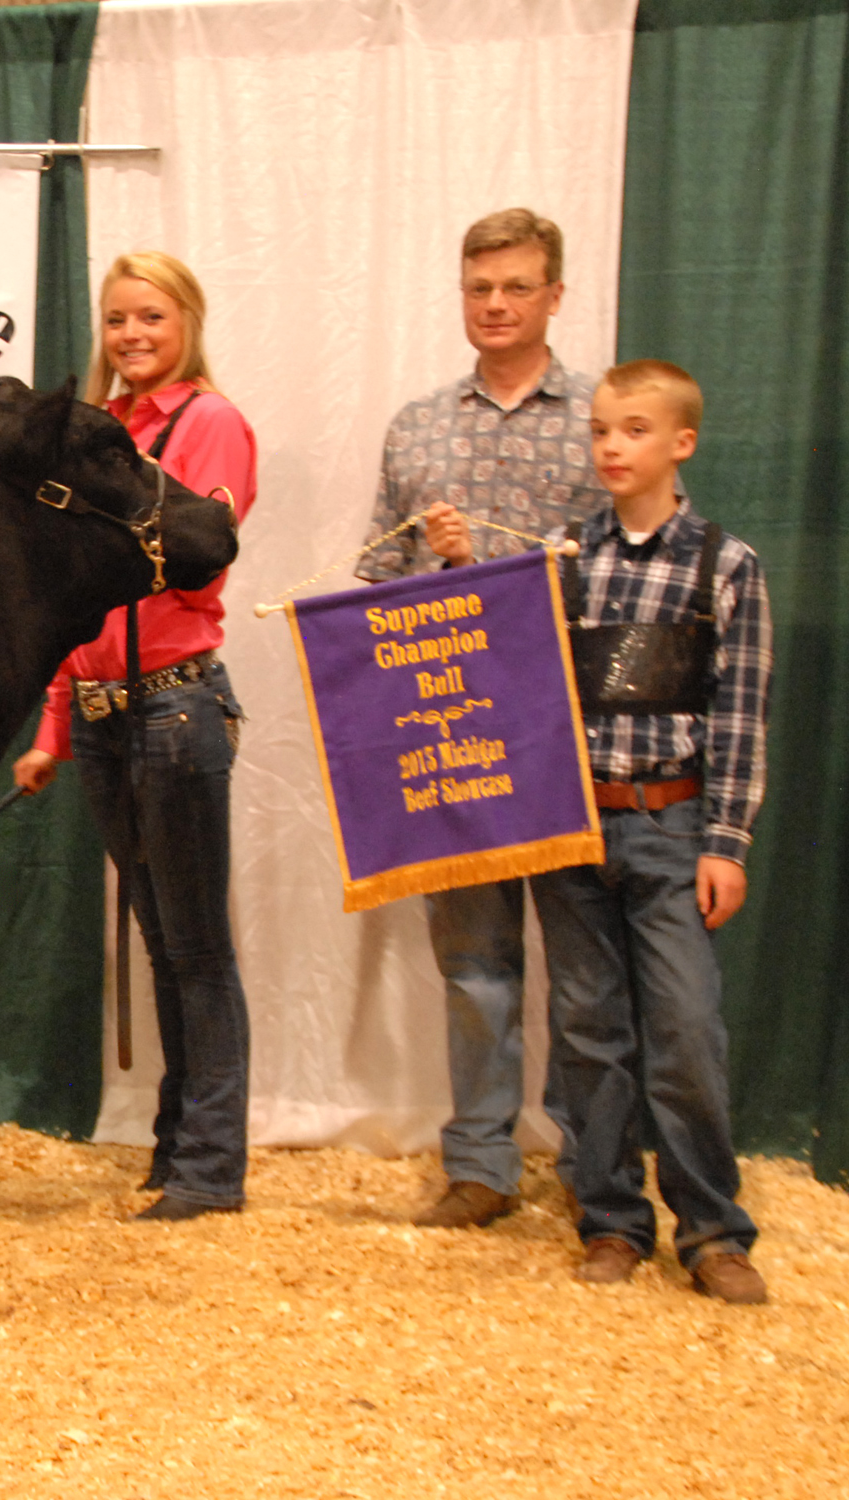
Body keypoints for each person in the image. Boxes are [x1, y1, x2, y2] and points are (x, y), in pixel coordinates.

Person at [431, 360, 771, 1302]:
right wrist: (462, 566)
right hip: (573, 829)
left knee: (687, 1031)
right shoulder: (564, 557)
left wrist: (726, 843)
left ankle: (713, 1230)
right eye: (602, 433)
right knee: (588, 1030)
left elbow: (740, 715)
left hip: (672, 826)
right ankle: (612, 1218)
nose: (613, 448)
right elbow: (500, 650)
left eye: (632, 431)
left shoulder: (725, 565)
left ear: (680, 443)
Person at [356, 208, 606, 1229]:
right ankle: (480, 1167)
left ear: (555, 295)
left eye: (516, 287)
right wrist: (427, 561)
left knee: (590, 973)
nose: (496, 305)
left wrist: (509, 566)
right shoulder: (416, 426)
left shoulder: (603, 415)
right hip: (451, 735)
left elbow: (640, 565)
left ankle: (601, 1172)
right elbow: (374, 571)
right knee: (474, 966)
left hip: (572, 734)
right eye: (479, 288)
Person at [11, 251, 256, 1220]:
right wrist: (53, 727)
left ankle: (210, 1165)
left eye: (151, 316)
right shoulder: (103, 436)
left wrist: (126, 531)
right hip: (109, 713)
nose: (132, 336)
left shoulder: (212, 425)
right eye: (117, 320)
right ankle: (176, 1144)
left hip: (178, 700)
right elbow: (73, 601)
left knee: (196, 946)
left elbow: (200, 567)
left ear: (187, 322)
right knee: (164, 940)